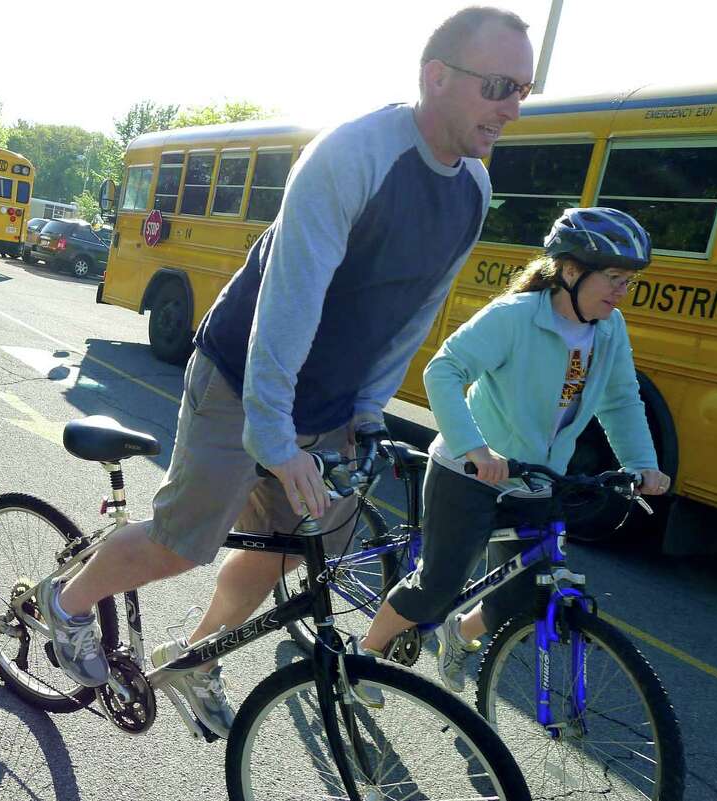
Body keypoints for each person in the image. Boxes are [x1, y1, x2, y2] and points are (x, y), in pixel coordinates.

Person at [42, 5, 533, 738]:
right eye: (499, 85)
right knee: (184, 540)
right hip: (246, 378)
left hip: (329, 402)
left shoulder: (474, 188)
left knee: (294, 548)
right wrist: (271, 432)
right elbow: (287, 303)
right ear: (437, 76)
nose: (512, 108)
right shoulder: (354, 156)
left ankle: (194, 653)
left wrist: (368, 412)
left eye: (525, 90)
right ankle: (66, 605)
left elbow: (412, 314)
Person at [359, 207, 671, 694]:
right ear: (570, 271)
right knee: (437, 587)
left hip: (537, 477)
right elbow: (443, 370)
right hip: (469, 472)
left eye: (626, 281)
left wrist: (642, 464)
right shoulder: (515, 317)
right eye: (612, 277)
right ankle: (365, 657)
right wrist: (474, 448)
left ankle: (459, 635)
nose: (620, 291)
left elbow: (620, 397)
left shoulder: (609, 329)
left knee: (523, 589)